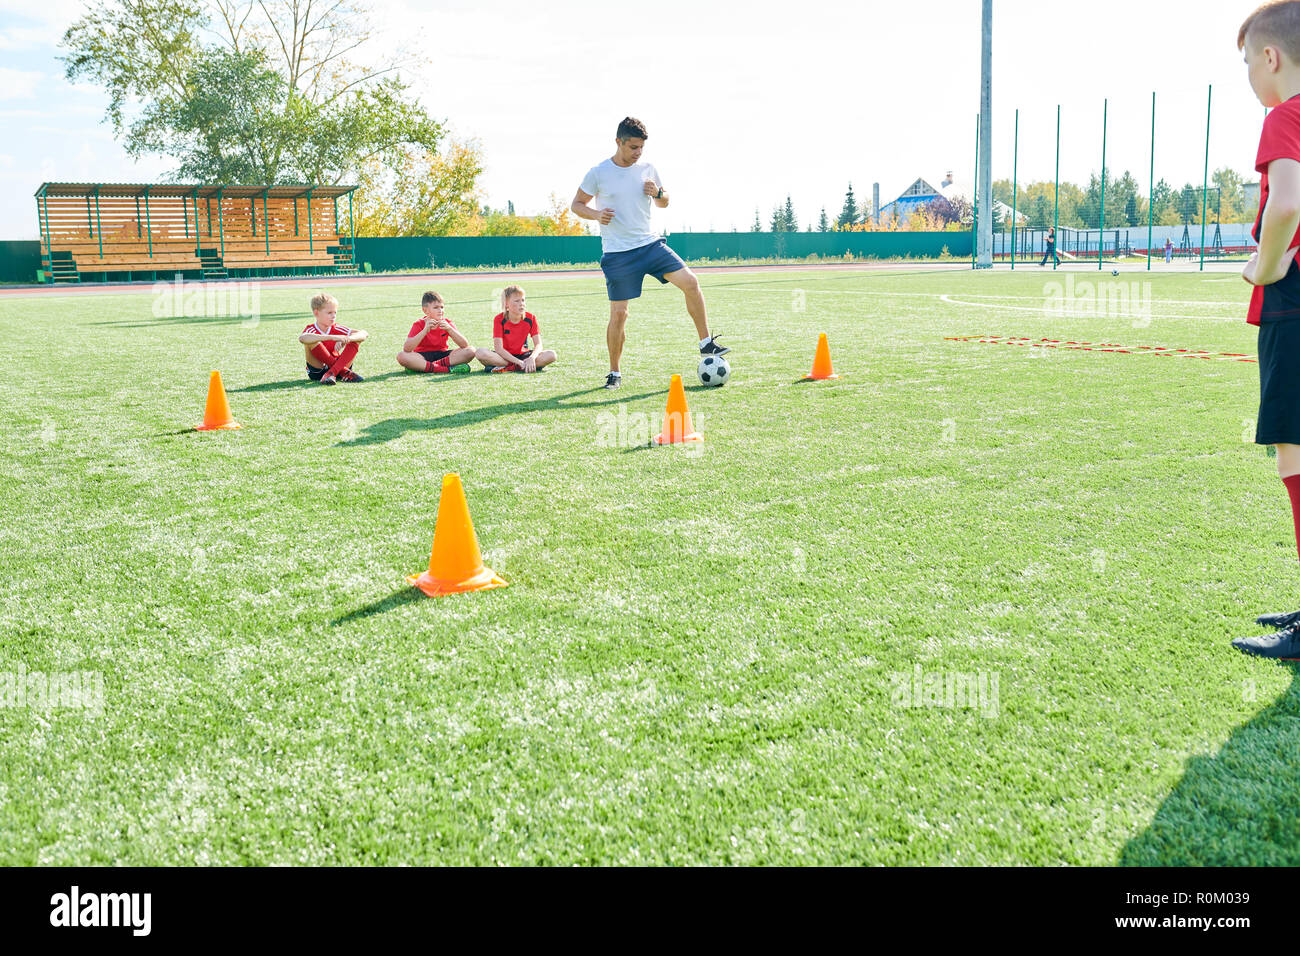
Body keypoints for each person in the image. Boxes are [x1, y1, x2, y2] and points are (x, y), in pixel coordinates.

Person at [1234, 0, 1300, 661]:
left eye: (1249, 62)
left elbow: (1286, 202)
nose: (1251, 76)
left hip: (1294, 297)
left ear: (1271, 58)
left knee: (1295, 451)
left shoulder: (1285, 115)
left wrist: (1266, 263)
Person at [571, 116, 729, 389]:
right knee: (619, 314)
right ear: (618, 142)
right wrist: (597, 214)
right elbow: (576, 204)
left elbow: (665, 202)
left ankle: (706, 344)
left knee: (691, 282)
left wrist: (657, 193)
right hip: (618, 254)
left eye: (641, 147)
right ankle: (614, 373)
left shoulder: (648, 168)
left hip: (650, 245)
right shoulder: (598, 172)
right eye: (633, 147)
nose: (638, 153)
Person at [476, 285, 557, 372]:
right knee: (480, 353)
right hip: (504, 357)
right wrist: (518, 362)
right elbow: (498, 348)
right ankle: (521, 367)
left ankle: (507, 368)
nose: (521, 303)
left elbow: (538, 344)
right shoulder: (499, 319)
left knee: (552, 355)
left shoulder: (531, 318)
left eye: (523, 300)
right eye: (517, 301)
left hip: (524, 356)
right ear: (506, 303)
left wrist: (532, 358)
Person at [398, 291, 476, 374]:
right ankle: (445, 369)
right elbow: (407, 348)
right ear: (425, 310)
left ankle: (423, 367)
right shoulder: (419, 324)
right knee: (402, 356)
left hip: (443, 356)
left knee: (470, 351)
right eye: (436, 307)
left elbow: (464, 345)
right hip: (422, 356)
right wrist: (424, 331)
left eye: (442, 307)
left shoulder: (447, 323)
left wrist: (450, 329)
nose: (440, 310)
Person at [299, 292, 367, 384]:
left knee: (356, 340)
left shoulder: (336, 327)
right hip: (319, 370)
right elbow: (302, 338)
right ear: (316, 313)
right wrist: (331, 337)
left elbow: (364, 333)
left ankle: (332, 373)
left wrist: (347, 339)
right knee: (311, 341)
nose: (333, 316)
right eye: (329, 313)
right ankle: (341, 372)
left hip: (338, 366)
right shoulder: (311, 329)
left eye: (335, 312)